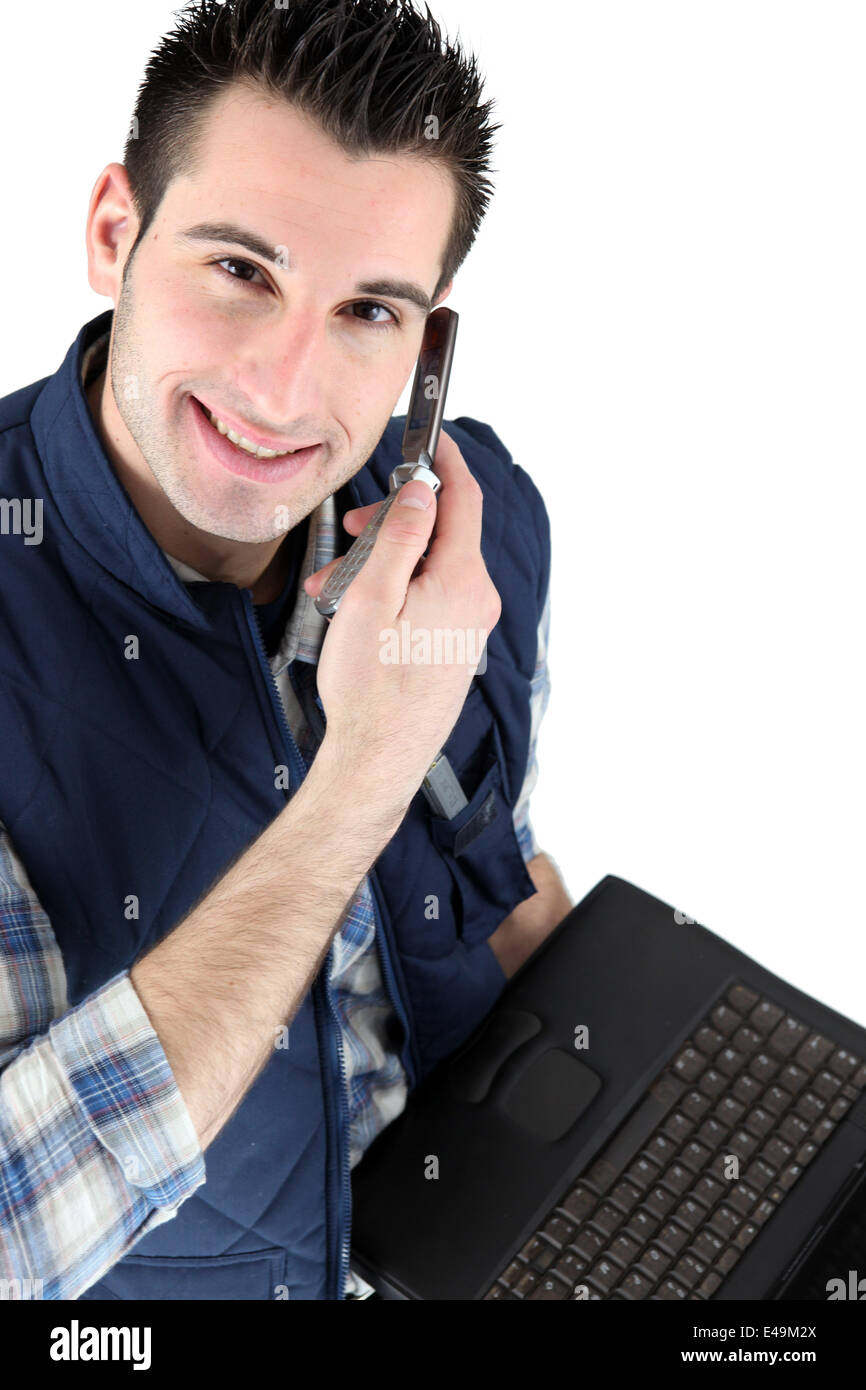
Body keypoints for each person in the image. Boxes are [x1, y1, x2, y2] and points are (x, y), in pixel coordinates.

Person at [0, 0, 572, 1300]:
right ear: (112, 232)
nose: (283, 388)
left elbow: (500, 870)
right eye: (240, 271)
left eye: (369, 309)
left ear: (427, 344)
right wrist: (360, 775)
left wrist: (663, 1095)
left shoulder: (472, 533)